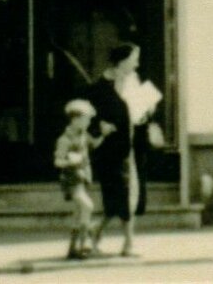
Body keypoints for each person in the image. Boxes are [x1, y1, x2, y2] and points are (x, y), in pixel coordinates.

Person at [86, 42, 155, 258]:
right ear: (122, 61)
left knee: (123, 196)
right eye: (134, 59)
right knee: (123, 195)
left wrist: (147, 111)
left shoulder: (132, 81)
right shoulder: (100, 87)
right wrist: (99, 126)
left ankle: (98, 231)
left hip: (132, 148)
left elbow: (137, 114)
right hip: (110, 150)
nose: (137, 64)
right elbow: (87, 116)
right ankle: (128, 244)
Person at [53, 99, 102, 260]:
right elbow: (58, 161)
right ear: (75, 119)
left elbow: (94, 144)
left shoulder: (83, 135)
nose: (89, 122)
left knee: (79, 213)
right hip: (71, 179)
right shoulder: (64, 139)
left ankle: (73, 248)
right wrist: (71, 161)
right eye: (86, 119)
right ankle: (85, 241)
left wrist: (104, 134)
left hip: (82, 178)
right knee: (88, 206)